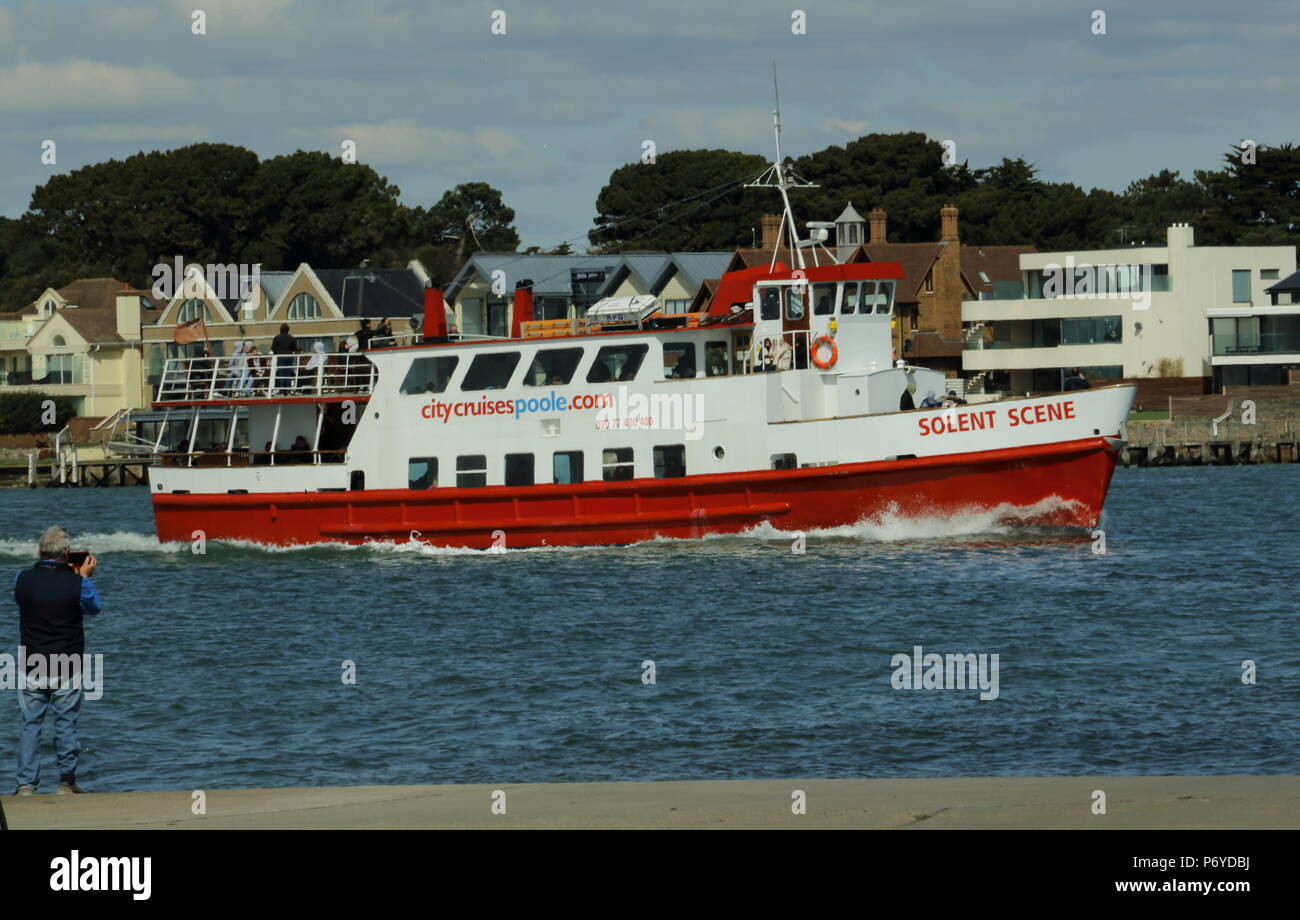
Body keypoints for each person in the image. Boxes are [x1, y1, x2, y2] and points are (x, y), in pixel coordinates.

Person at [13, 526, 101, 795]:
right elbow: (94, 608)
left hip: (32, 662)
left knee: (31, 725)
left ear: (39, 552)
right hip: (67, 663)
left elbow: (27, 600)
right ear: (66, 553)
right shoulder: (77, 583)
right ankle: (66, 782)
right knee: (66, 723)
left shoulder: (22, 578)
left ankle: (26, 785)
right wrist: (84, 578)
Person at [271, 323, 298, 394]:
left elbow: (273, 348)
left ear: (280, 330)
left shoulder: (277, 337)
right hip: (289, 356)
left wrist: (277, 352)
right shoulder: (292, 338)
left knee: (281, 373)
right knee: (288, 373)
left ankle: (282, 390)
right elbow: (294, 349)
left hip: (280, 357)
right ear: (288, 330)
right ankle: (288, 390)